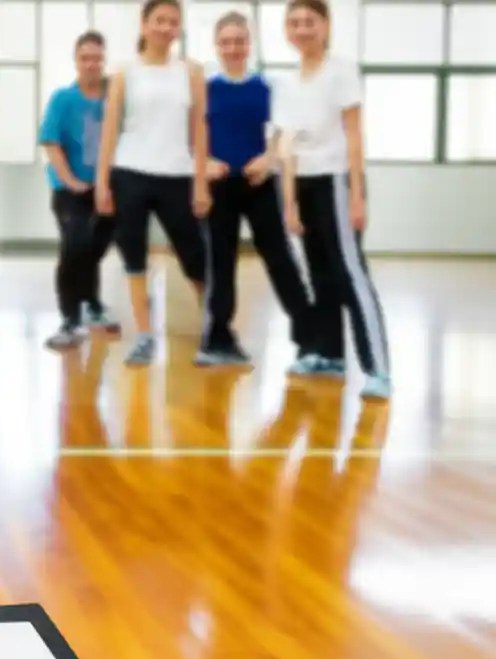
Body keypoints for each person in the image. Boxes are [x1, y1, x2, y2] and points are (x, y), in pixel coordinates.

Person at [275, 0, 391, 400]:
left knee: (350, 272)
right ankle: (328, 355)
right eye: (294, 23)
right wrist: (288, 201)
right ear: (286, 31)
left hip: (336, 181)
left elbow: (354, 134)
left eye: (309, 21)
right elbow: (286, 144)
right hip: (303, 184)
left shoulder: (342, 70)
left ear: (325, 26)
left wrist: (356, 193)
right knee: (319, 273)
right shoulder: (287, 83)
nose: (302, 29)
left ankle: (377, 367)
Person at [96, 0, 210, 367]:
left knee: (194, 256)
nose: (166, 27)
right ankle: (144, 334)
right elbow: (110, 130)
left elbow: (199, 129)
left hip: (177, 174)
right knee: (134, 256)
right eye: (159, 20)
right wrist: (102, 183)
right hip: (130, 173)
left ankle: (215, 327)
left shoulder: (191, 72)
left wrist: (201, 181)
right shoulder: (123, 73)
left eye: (173, 22)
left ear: (179, 29)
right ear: (144, 25)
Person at [199, 12, 315, 366]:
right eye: (226, 42)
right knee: (220, 262)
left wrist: (268, 159)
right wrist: (203, 163)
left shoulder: (268, 87)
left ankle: (309, 335)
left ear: (249, 45)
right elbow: (192, 135)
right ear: (217, 46)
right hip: (220, 186)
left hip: (259, 184)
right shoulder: (205, 89)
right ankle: (217, 338)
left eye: (239, 41)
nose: (233, 48)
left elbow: (285, 131)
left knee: (279, 256)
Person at [39, 30, 120, 350]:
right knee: (75, 247)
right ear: (76, 61)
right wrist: (72, 182)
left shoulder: (114, 98)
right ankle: (71, 317)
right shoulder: (63, 99)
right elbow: (51, 143)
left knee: (92, 251)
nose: (91, 64)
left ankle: (93, 305)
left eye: (97, 58)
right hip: (70, 189)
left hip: (107, 189)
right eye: (85, 58)